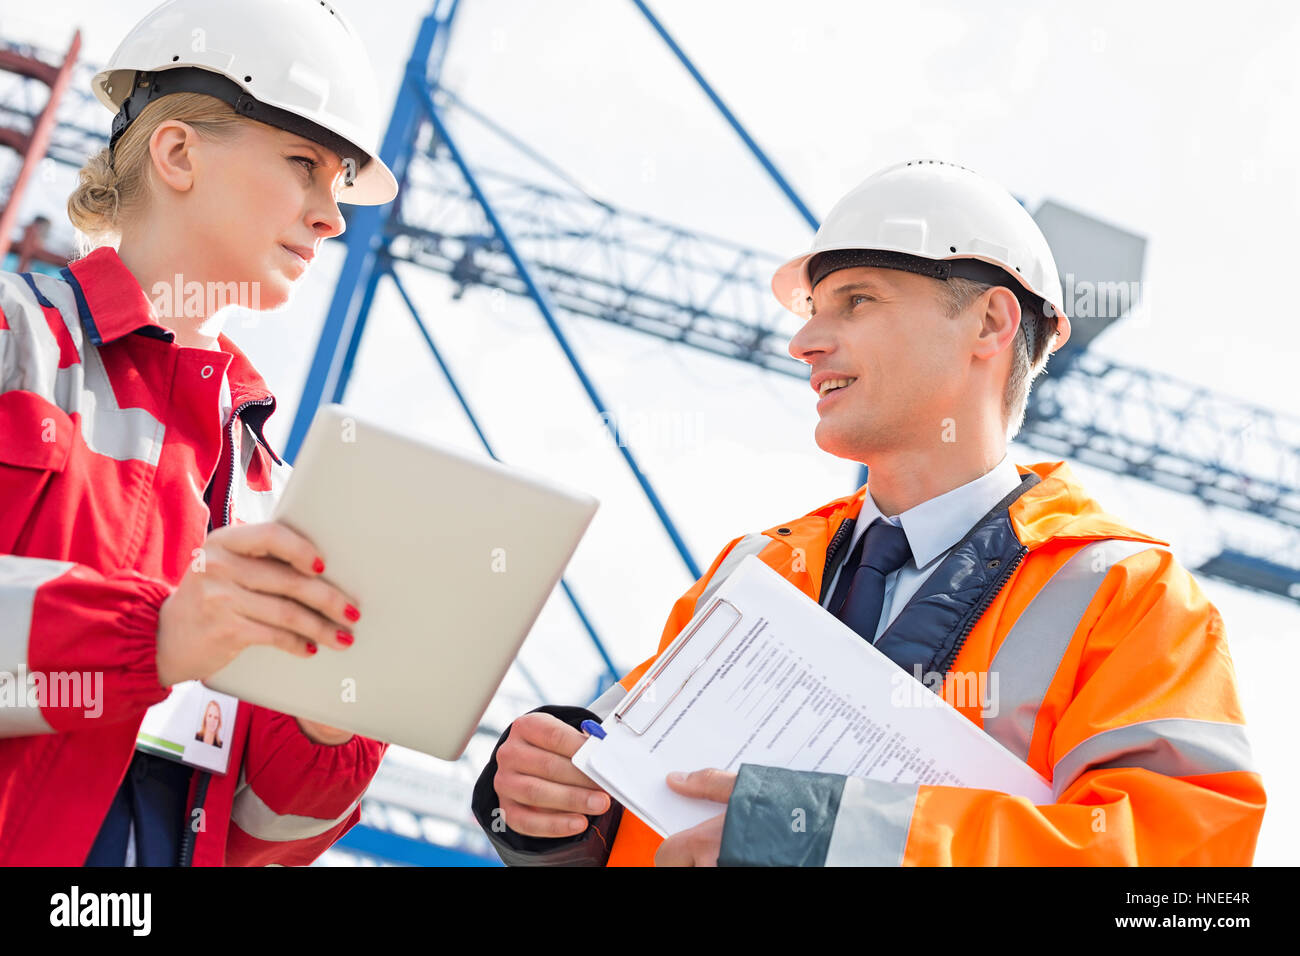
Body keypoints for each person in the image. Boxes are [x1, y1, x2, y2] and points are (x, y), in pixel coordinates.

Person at [470, 159, 1267, 866]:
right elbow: (638, 809)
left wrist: (837, 839)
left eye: (856, 301)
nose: (806, 341)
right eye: (812, 308)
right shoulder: (756, 568)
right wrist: (557, 814)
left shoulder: (1130, 598)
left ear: (990, 323)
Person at [0, 0, 399, 866]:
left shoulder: (272, 487)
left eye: (340, 185)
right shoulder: (14, 341)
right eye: (305, 164)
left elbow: (257, 841)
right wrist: (153, 639)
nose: (333, 216)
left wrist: (332, 719)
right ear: (177, 152)